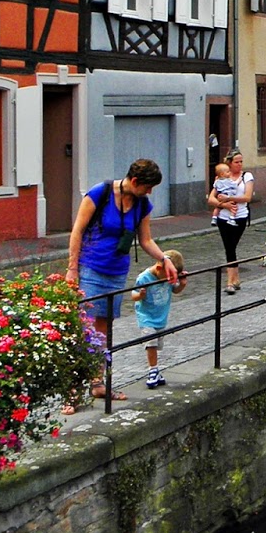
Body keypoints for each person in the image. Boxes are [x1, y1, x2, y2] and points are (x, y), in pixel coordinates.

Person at [65, 158, 175, 408]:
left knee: (103, 331)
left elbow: (146, 240)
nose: (149, 192)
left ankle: (97, 383)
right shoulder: (99, 193)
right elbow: (77, 230)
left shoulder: (142, 204)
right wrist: (72, 269)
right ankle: (71, 391)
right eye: (147, 187)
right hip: (91, 268)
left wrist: (164, 258)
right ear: (134, 181)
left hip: (116, 273)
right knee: (84, 330)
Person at [131, 249, 186, 389]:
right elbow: (133, 295)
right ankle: (153, 371)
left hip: (161, 317)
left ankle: (157, 372)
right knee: (151, 343)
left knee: (158, 344)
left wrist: (182, 284)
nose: (169, 279)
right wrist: (140, 296)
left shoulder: (168, 276)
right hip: (146, 316)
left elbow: (175, 290)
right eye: (168, 276)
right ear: (159, 267)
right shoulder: (144, 278)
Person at [208, 149, 252, 294]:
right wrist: (223, 205)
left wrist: (229, 199)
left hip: (239, 216)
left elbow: (247, 197)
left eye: (241, 161)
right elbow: (211, 198)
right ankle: (233, 280)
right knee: (229, 247)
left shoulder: (247, 176)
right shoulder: (221, 179)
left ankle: (232, 281)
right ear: (229, 163)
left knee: (231, 246)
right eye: (236, 162)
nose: (239, 164)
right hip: (223, 217)